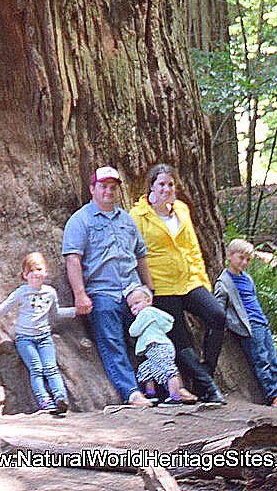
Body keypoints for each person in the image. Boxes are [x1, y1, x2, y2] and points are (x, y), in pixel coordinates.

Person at [129, 163, 226, 404]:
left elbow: (193, 249)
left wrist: (203, 282)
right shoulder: (138, 216)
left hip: (189, 281)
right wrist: (145, 288)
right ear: (151, 186)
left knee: (217, 316)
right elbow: (135, 254)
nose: (166, 189)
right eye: (161, 184)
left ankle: (206, 372)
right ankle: (209, 389)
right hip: (161, 285)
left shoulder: (181, 210)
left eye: (170, 184)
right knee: (180, 338)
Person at [61, 165, 154, 407]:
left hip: (134, 290)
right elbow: (73, 259)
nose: (108, 192)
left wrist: (149, 288)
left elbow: (141, 254)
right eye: (103, 187)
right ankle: (132, 393)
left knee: (148, 338)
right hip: (103, 292)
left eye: (113, 188)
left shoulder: (126, 219)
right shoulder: (80, 220)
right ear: (92, 189)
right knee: (112, 342)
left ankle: (159, 389)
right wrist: (80, 295)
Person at [0, 251, 75, 414]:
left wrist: (75, 311)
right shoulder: (21, 293)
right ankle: (44, 400)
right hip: (25, 339)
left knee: (51, 368)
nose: (35, 274)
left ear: (45, 271)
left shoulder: (50, 293)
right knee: (36, 368)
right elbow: (2, 309)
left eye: (38, 269)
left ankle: (60, 398)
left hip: (44, 337)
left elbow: (55, 313)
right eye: (30, 271)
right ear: (24, 275)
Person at [215, 239, 277, 408]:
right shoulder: (224, 282)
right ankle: (274, 395)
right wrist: (230, 325)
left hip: (261, 322)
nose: (244, 262)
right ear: (229, 256)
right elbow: (219, 309)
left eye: (248, 260)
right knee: (261, 360)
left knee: (273, 360)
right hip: (248, 326)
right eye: (241, 258)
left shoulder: (248, 279)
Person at [125, 284, 195, 406]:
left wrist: (137, 320)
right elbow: (169, 322)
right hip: (158, 347)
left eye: (137, 303)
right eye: (131, 306)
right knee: (145, 369)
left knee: (167, 370)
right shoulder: (155, 314)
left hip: (158, 346)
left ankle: (175, 397)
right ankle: (151, 394)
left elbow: (133, 331)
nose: (134, 308)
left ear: (148, 301)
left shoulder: (146, 313)